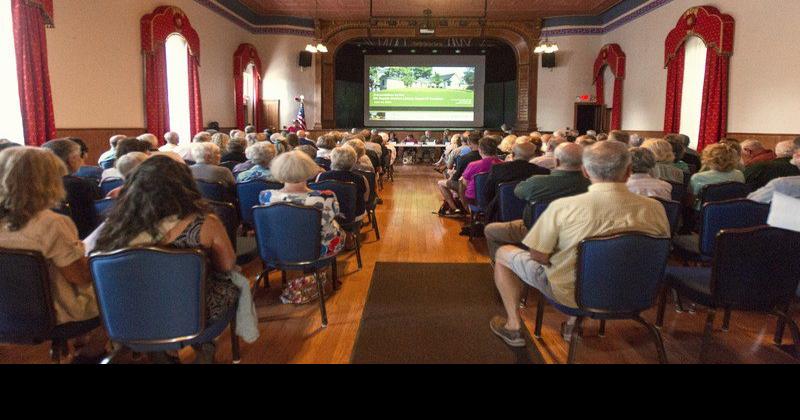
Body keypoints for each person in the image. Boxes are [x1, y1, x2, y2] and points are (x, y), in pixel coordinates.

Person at [489, 141, 670, 347]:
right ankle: (571, 325)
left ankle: (513, 326)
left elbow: (538, 256)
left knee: (504, 253)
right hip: (639, 293)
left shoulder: (562, 207)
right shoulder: (656, 208)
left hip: (574, 296)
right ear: (629, 171)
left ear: (585, 171)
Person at [88, 156, 240, 363]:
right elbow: (227, 265)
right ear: (185, 186)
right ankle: (199, 344)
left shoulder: (114, 226)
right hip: (190, 314)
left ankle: (163, 350)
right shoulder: (204, 223)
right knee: (233, 284)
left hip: (126, 315)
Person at [0, 147, 104, 361]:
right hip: (56, 314)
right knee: (116, 290)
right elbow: (80, 277)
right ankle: (96, 353)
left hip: (8, 313)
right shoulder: (51, 224)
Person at [484, 143, 589, 259]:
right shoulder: (592, 185)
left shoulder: (537, 182)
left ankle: (502, 265)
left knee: (490, 230)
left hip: (535, 229)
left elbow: (518, 192)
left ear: (557, 162)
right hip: (579, 235)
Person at [259, 151, 343, 258]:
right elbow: (335, 214)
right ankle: (319, 271)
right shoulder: (326, 197)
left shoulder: (266, 196)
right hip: (318, 249)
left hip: (280, 247)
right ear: (308, 169)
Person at [42, 139, 102, 239]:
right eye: (79, 155)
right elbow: (90, 225)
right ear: (72, 159)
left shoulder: (36, 184)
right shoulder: (79, 185)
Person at [482, 143, 550, 222]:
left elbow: (487, 192)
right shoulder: (543, 172)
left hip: (500, 214)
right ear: (533, 155)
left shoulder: (498, 169)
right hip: (533, 216)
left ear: (513, 154)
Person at [316, 146, 369, 221]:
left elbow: (317, 196)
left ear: (332, 159)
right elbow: (365, 199)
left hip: (327, 215)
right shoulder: (361, 178)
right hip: (354, 215)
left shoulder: (321, 176)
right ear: (354, 160)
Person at [690, 143, 746, 209]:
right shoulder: (739, 175)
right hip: (732, 211)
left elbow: (690, 201)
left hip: (704, 214)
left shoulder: (698, 177)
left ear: (708, 158)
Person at [437, 133, 481, 216]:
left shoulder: (465, 158)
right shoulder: (485, 156)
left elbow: (455, 177)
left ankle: (455, 209)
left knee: (441, 183)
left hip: (467, 187)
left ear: (469, 143)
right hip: (483, 187)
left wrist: (452, 174)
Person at [461, 137, 504, 206]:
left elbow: (465, 183)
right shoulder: (503, 164)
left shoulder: (473, 165)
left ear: (480, 150)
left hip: (475, 199)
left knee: (462, 185)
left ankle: (463, 209)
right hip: (497, 198)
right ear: (495, 149)